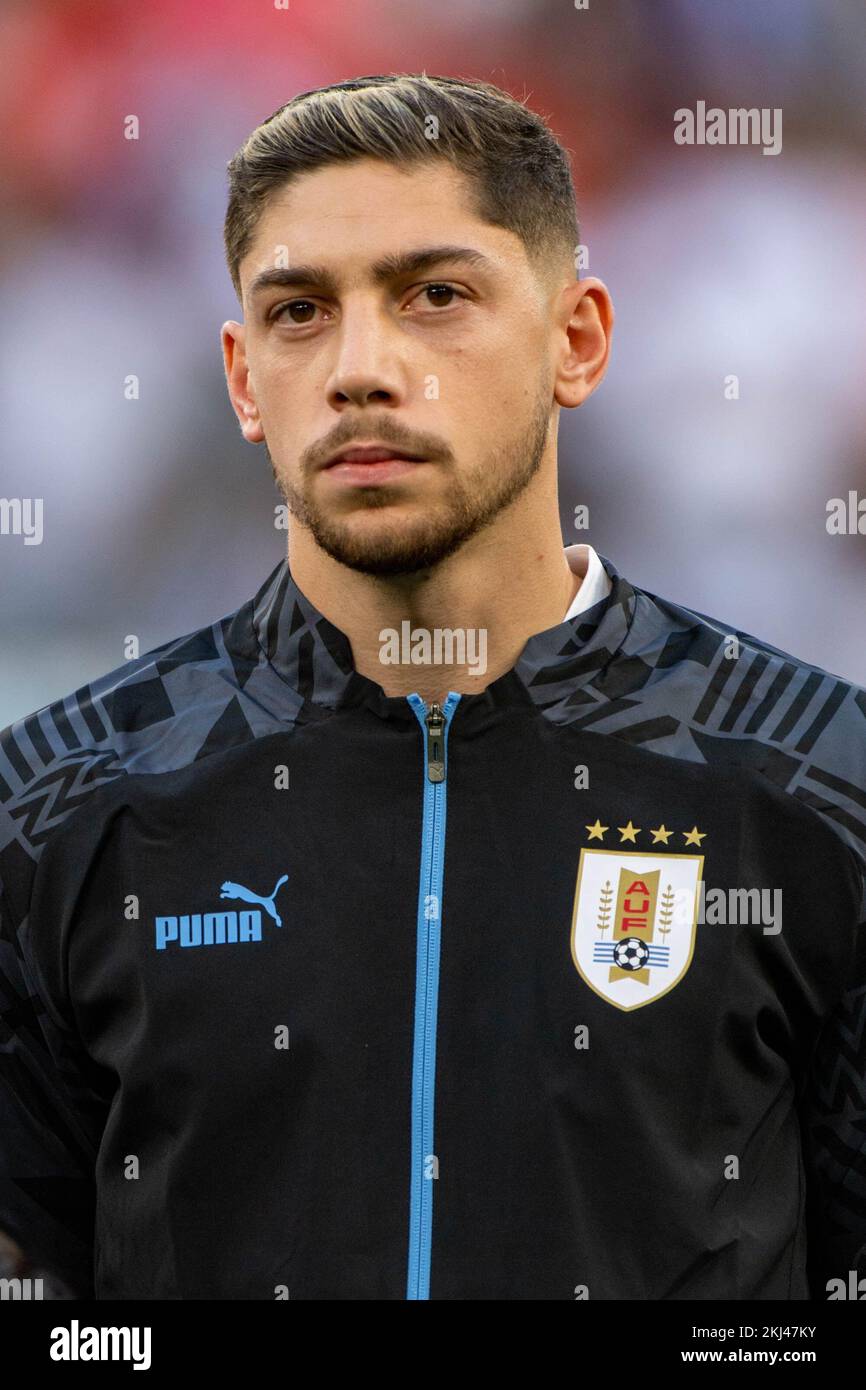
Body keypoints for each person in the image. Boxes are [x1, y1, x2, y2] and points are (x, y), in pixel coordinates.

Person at [0, 73, 863, 1301]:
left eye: (435, 296)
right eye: (300, 312)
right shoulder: (54, 807)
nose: (360, 367)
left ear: (576, 340)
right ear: (244, 381)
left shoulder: (818, 782)